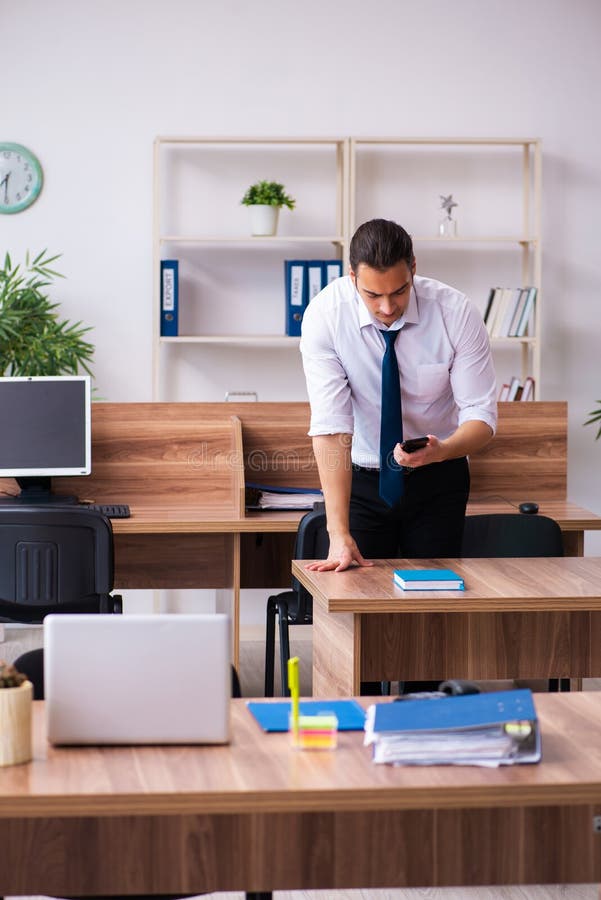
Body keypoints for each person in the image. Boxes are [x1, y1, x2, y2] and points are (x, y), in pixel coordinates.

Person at [299, 218, 497, 574]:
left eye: (400, 291)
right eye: (373, 295)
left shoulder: (455, 313)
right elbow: (331, 425)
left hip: (439, 474)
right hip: (360, 480)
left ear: (414, 269)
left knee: (435, 595)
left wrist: (443, 450)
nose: (388, 307)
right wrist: (337, 532)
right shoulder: (325, 317)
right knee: (357, 591)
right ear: (352, 277)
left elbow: (480, 417)